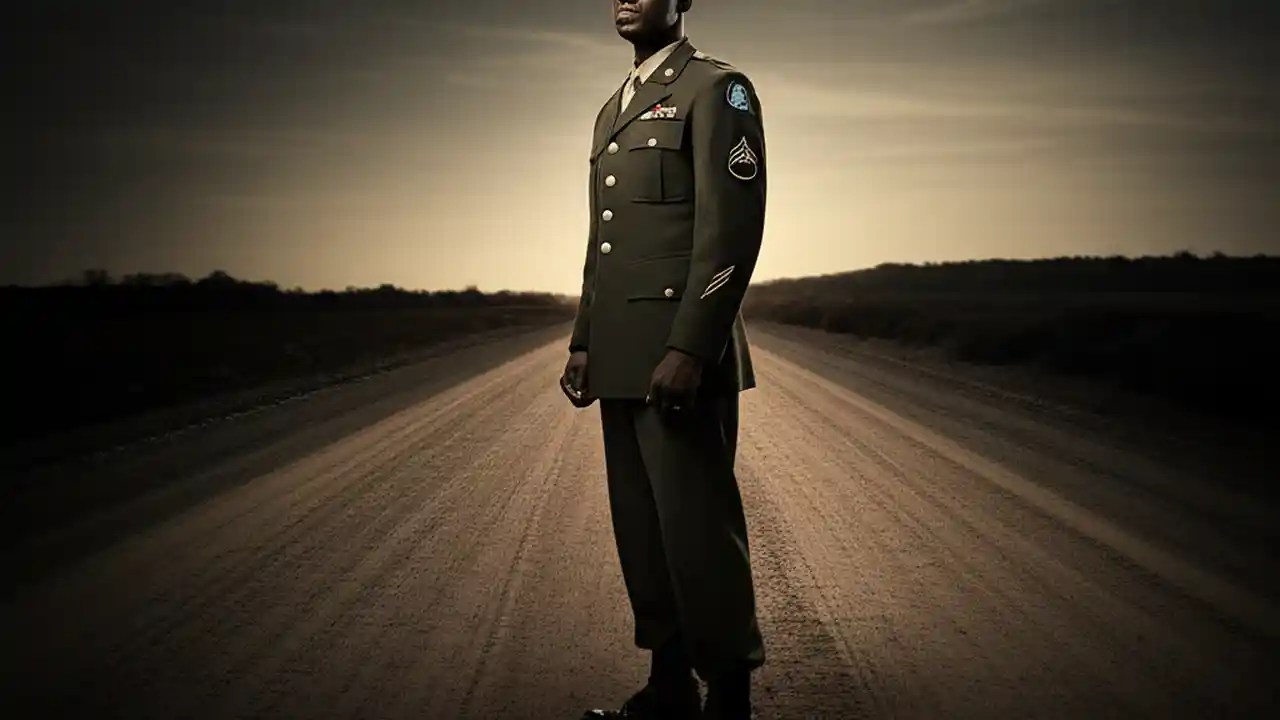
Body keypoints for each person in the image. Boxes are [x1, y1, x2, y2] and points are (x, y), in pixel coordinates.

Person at [559, 1, 768, 718]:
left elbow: (730, 234)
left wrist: (691, 346)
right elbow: (603, 244)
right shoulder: (609, 111)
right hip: (620, 354)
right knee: (642, 531)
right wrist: (584, 339)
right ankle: (669, 686)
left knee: (697, 529)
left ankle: (730, 697)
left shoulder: (718, 89)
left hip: (680, 355)